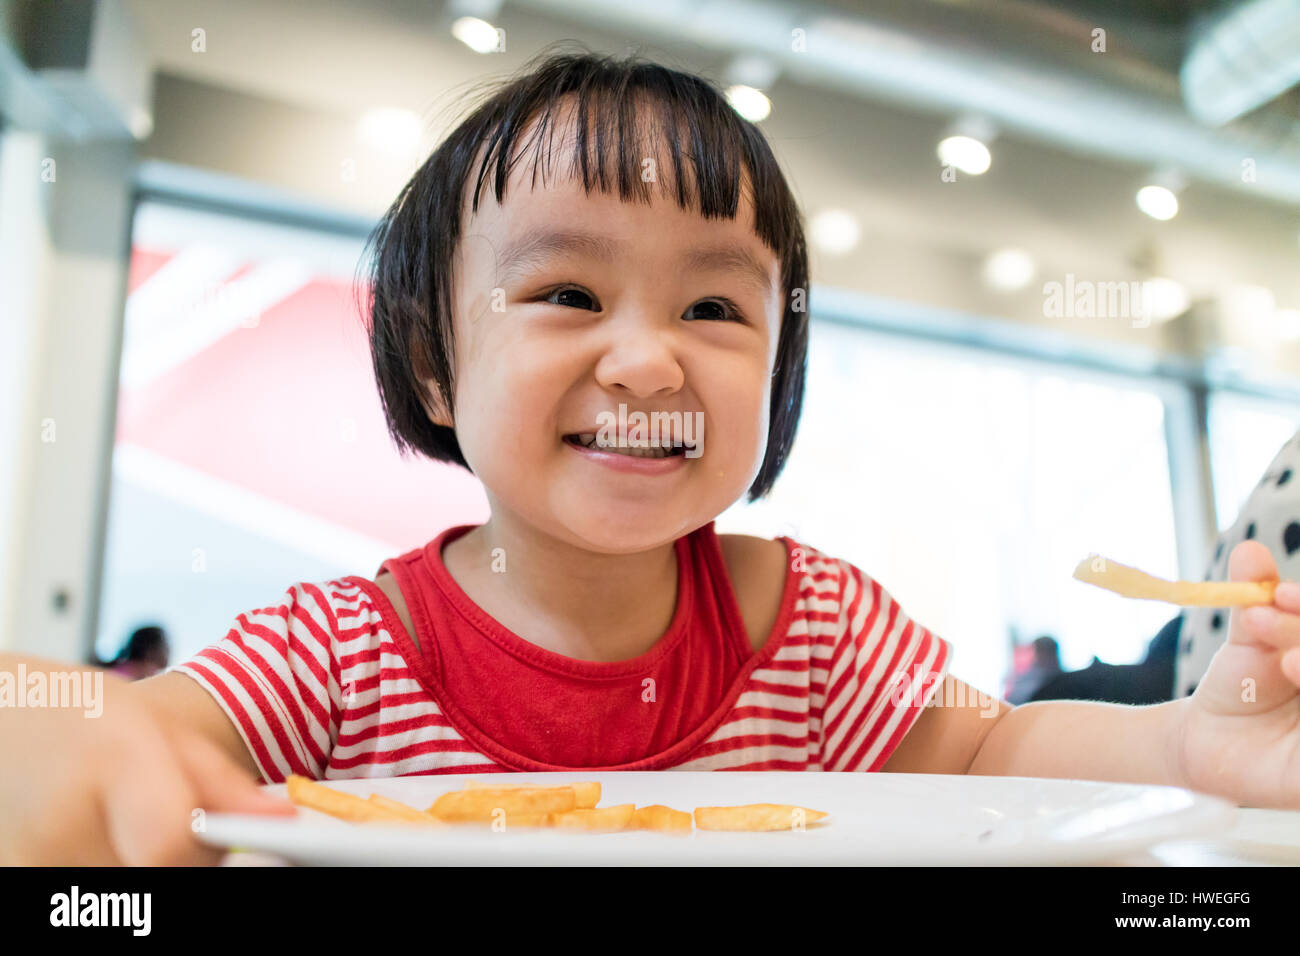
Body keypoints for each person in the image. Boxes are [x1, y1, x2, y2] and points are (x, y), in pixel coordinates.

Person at [5, 49, 1300, 865]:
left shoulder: (819, 631)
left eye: (717, 309)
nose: (647, 360)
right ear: (436, 364)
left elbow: (997, 754)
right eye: (566, 292)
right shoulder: (340, 654)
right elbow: (142, 743)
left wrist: (1193, 746)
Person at [94, 625, 170, 681]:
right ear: (151, 651)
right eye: (166, 644)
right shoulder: (124, 676)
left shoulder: (146, 676)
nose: (169, 649)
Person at [1004, 635, 1062, 705]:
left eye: (1049, 652)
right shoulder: (1026, 680)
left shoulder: (1066, 680)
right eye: (1043, 651)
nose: (1046, 657)